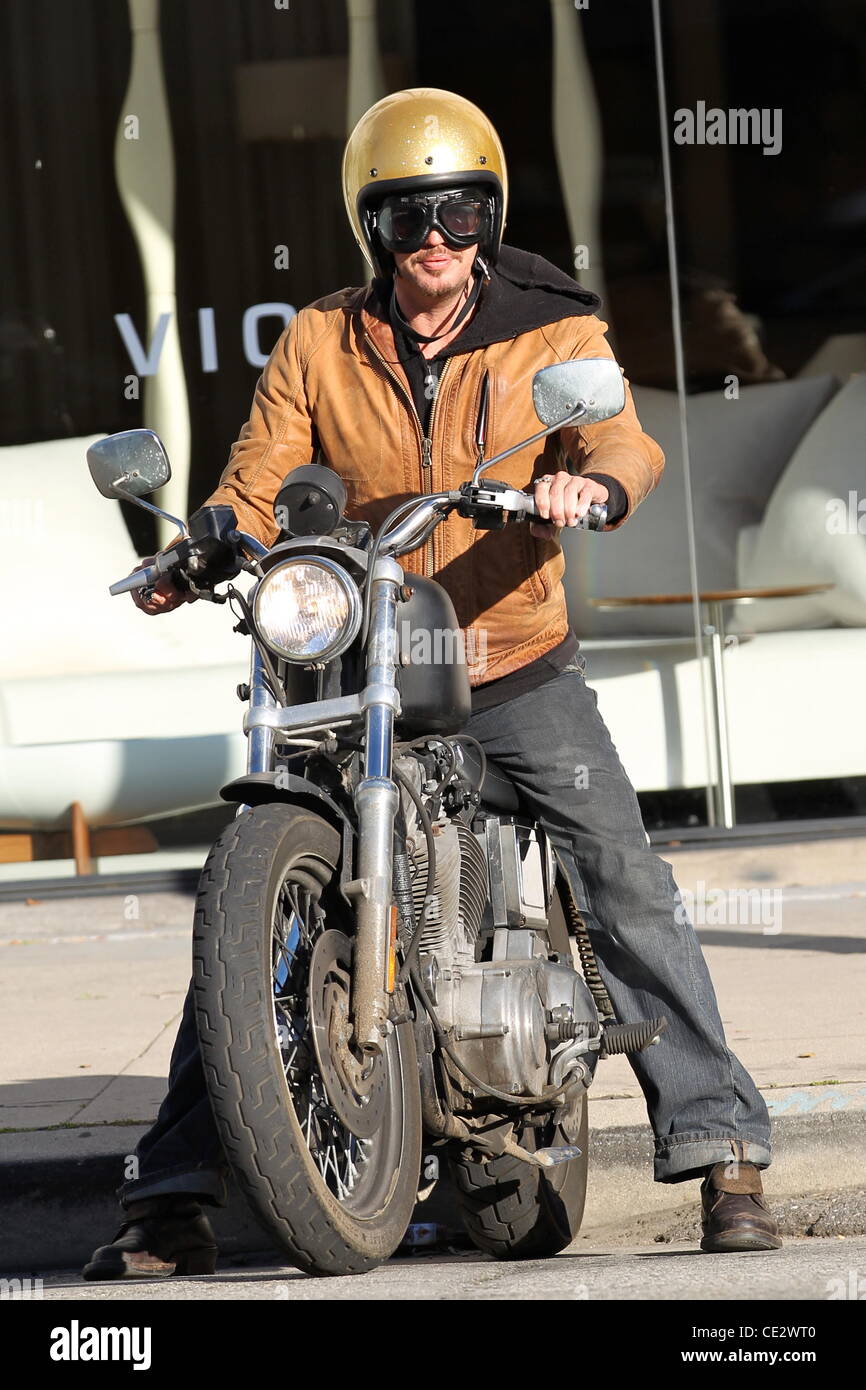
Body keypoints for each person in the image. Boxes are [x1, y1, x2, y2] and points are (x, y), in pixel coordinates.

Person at [84, 89, 779, 1280]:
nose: (433, 244)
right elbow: (256, 477)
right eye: (405, 219)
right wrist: (201, 540)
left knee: (622, 874)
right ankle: (176, 1191)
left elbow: (620, 435)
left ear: (490, 214)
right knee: (252, 925)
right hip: (357, 662)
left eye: (457, 214)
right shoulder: (318, 338)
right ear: (372, 230)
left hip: (504, 657)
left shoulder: (547, 326)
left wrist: (590, 487)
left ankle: (721, 1147)